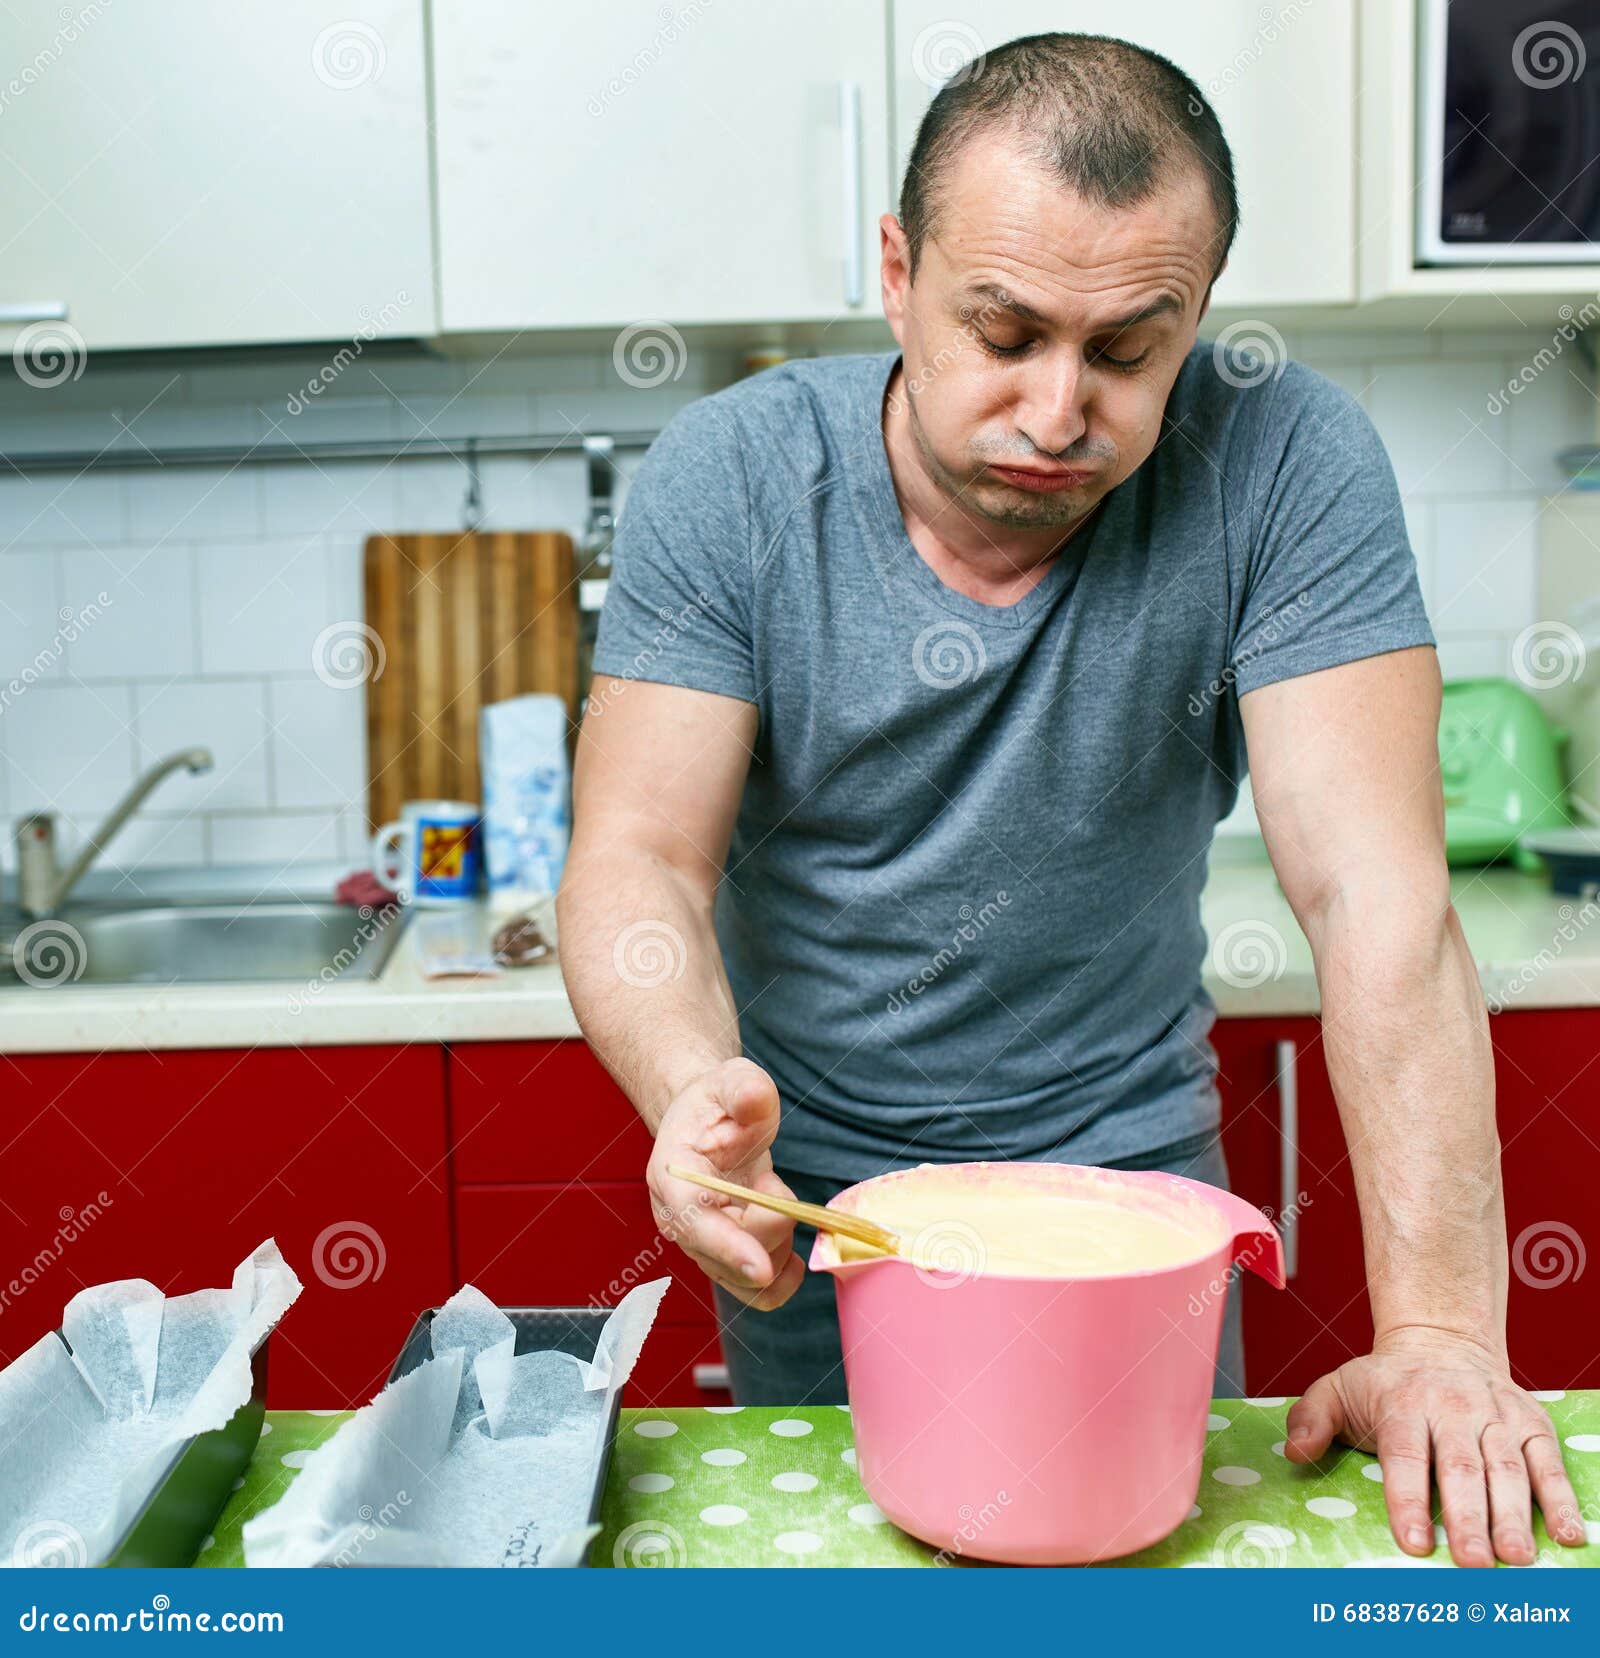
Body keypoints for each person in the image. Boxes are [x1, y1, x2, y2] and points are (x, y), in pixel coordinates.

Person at [557, 31, 1584, 1567]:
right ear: (897, 270)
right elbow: (635, 857)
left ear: (1198, 320)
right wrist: (695, 1092)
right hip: (827, 1211)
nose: (1056, 412)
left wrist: (1440, 1327)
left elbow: (1379, 897)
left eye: (1125, 351)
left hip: (1134, 1201)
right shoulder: (735, 475)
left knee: (1136, 1575)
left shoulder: (1288, 463)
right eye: (1006, 329)